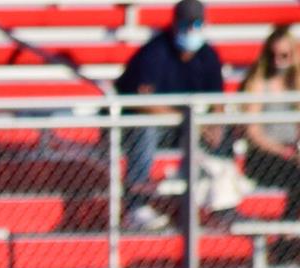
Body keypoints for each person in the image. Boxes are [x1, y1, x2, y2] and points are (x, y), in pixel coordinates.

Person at [115, 0, 226, 231]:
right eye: (187, 24)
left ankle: (217, 201)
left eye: (197, 23)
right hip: (139, 127)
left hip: (183, 126)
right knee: (145, 128)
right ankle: (136, 205)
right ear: (175, 24)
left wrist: (215, 124)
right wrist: (186, 120)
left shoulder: (207, 55)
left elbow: (218, 100)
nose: (192, 30)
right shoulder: (155, 51)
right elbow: (143, 101)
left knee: (220, 133)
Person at [238, 25, 300, 223]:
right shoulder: (258, 83)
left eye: (284, 55)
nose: (278, 61)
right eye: (273, 55)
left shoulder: (295, 83)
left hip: (291, 154)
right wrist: (283, 151)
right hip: (264, 156)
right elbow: (252, 131)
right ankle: (286, 236)